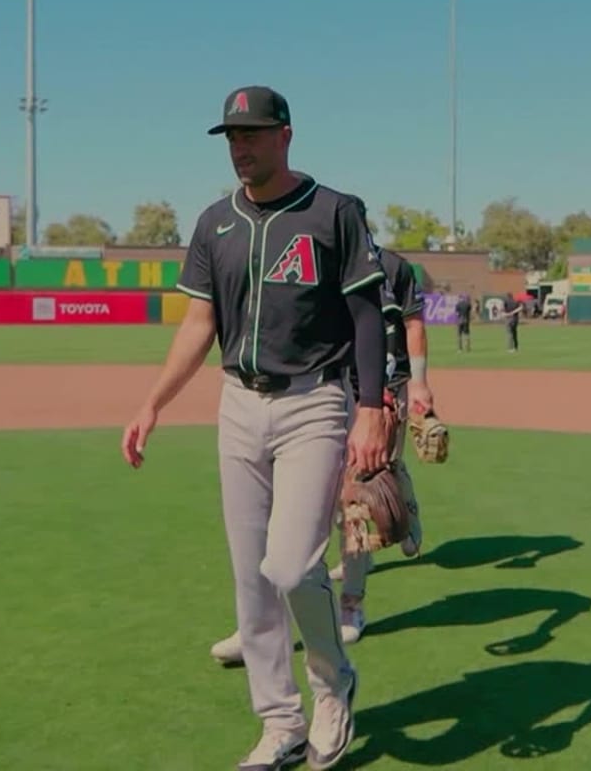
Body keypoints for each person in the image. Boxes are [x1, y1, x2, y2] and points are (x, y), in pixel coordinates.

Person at [122, 85, 390, 771]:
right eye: (231, 137)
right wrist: (153, 402)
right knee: (251, 579)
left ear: (285, 135)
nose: (240, 147)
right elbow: (199, 325)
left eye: (252, 134)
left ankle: (333, 685)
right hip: (238, 404)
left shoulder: (334, 213)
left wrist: (374, 407)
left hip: (314, 401)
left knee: (292, 564)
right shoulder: (216, 222)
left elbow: (366, 316)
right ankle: (280, 723)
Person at [209, 245, 435, 663]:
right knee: (277, 509)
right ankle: (257, 624)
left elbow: (410, 325)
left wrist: (415, 385)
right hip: (319, 390)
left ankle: (353, 603)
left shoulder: (393, 269)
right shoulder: (311, 264)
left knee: (357, 499)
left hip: (379, 390)